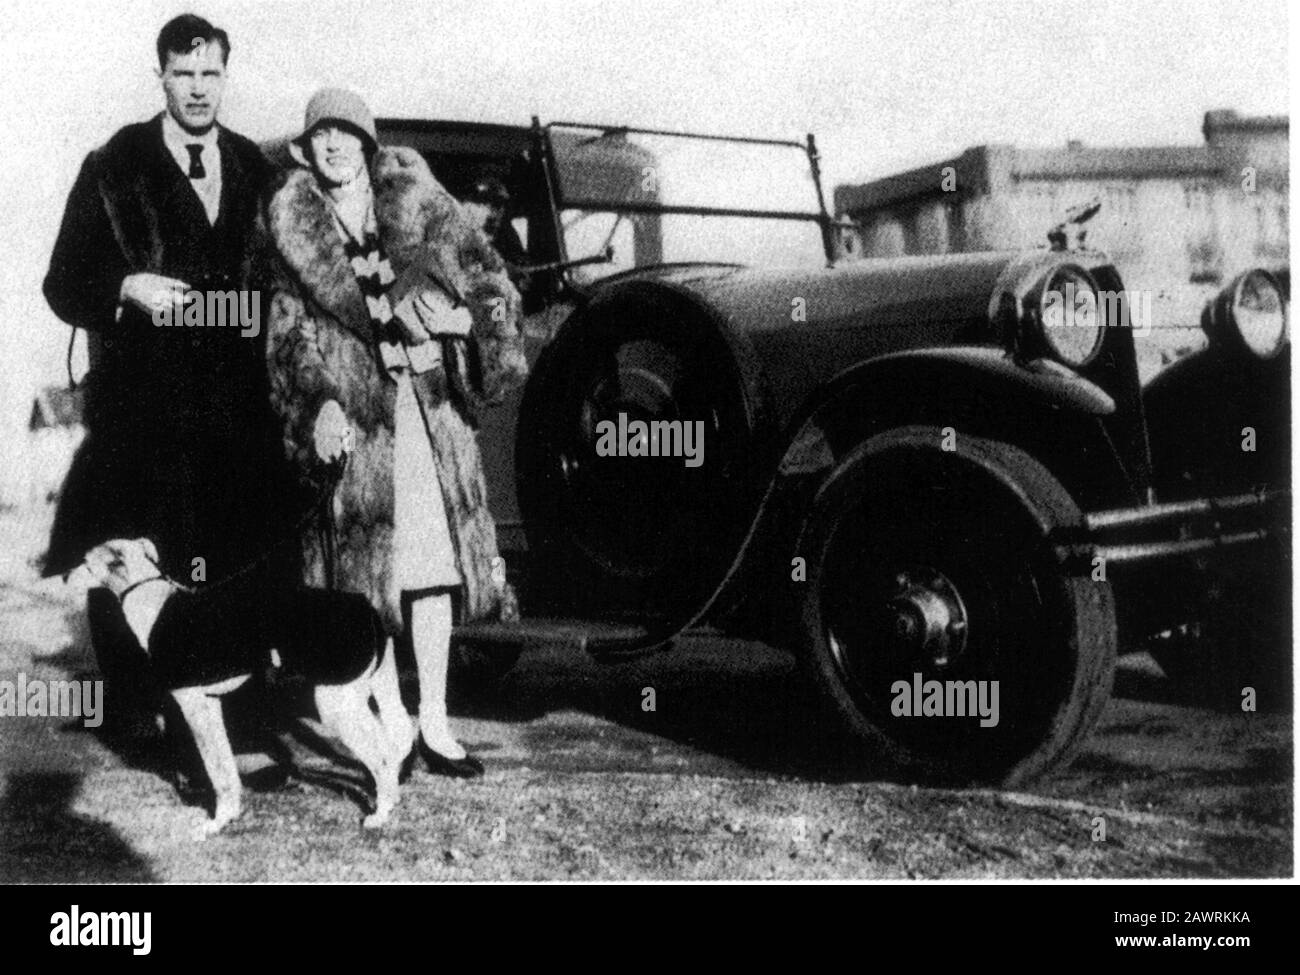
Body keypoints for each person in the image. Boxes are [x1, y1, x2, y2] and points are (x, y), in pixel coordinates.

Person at [262, 89, 526, 776]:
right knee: (367, 584)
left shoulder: (420, 204)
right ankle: (394, 724)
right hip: (355, 425)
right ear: (307, 145)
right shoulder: (291, 226)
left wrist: (467, 326)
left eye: (345, 132)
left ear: (367, 142)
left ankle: (436, 723)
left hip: (428, 416)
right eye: (321, 133)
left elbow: (495, 289)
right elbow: (288, 337)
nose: (333, 146)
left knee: (433, 575)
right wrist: (319, 403)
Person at [41, 14, 282, 755]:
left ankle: (237, 721)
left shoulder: (257, 169)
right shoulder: (113, 167)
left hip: (236, 414)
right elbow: (61, 283)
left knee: (235, 562)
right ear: (162, 77)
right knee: (137, 562)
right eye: (185, 74)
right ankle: (146, 715)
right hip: (142, 414)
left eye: (212, 74)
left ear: (225, 78)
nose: (199, 89)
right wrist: (125, 285)